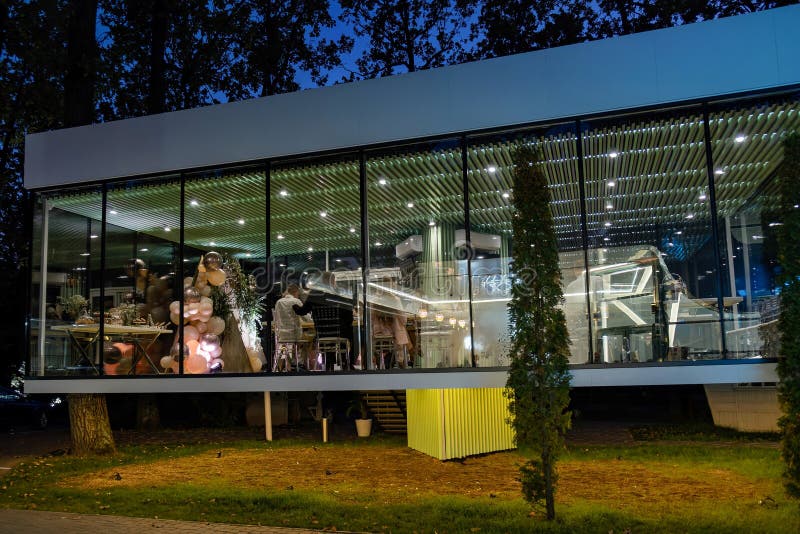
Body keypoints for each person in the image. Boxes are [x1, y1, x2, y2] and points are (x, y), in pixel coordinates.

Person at [294, 272, 354, 370]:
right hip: (338, 333)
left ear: (322, 281)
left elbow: (302, 311)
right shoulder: (339, 294)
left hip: (322, 333)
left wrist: (294, 306)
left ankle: (329, 362)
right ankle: (345, 361)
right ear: (333, 282)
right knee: (350, 332)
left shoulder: (314, 295)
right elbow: (348, 314)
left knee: (327, 337)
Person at [273, 284, 309, 370]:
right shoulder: (296, 301)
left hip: (281, 335)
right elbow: (306, 318)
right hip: (294, 334)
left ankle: (289, 364)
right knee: (309, 340)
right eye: (298, 294)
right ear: (296, 292)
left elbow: (276, 319)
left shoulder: (278, 302)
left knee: (287, 345)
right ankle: (301, 364)